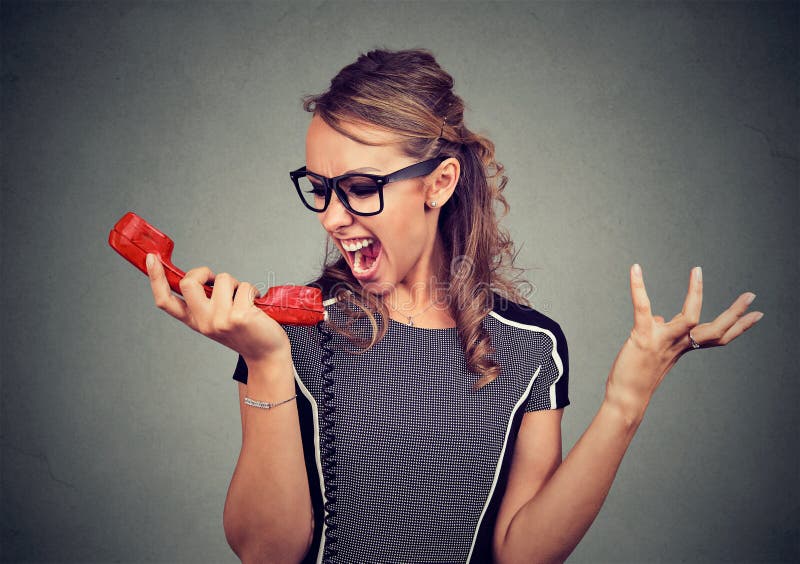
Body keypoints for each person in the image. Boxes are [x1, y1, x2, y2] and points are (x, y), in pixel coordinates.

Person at [143, 49, 763, 564]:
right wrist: (266, 363)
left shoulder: (530, 347)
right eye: (320, 188)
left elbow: (523, 555)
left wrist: (627, 401)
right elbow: (265, 553)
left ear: (439, 183)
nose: (333, 217)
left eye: (361, 188)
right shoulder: (289, 332)